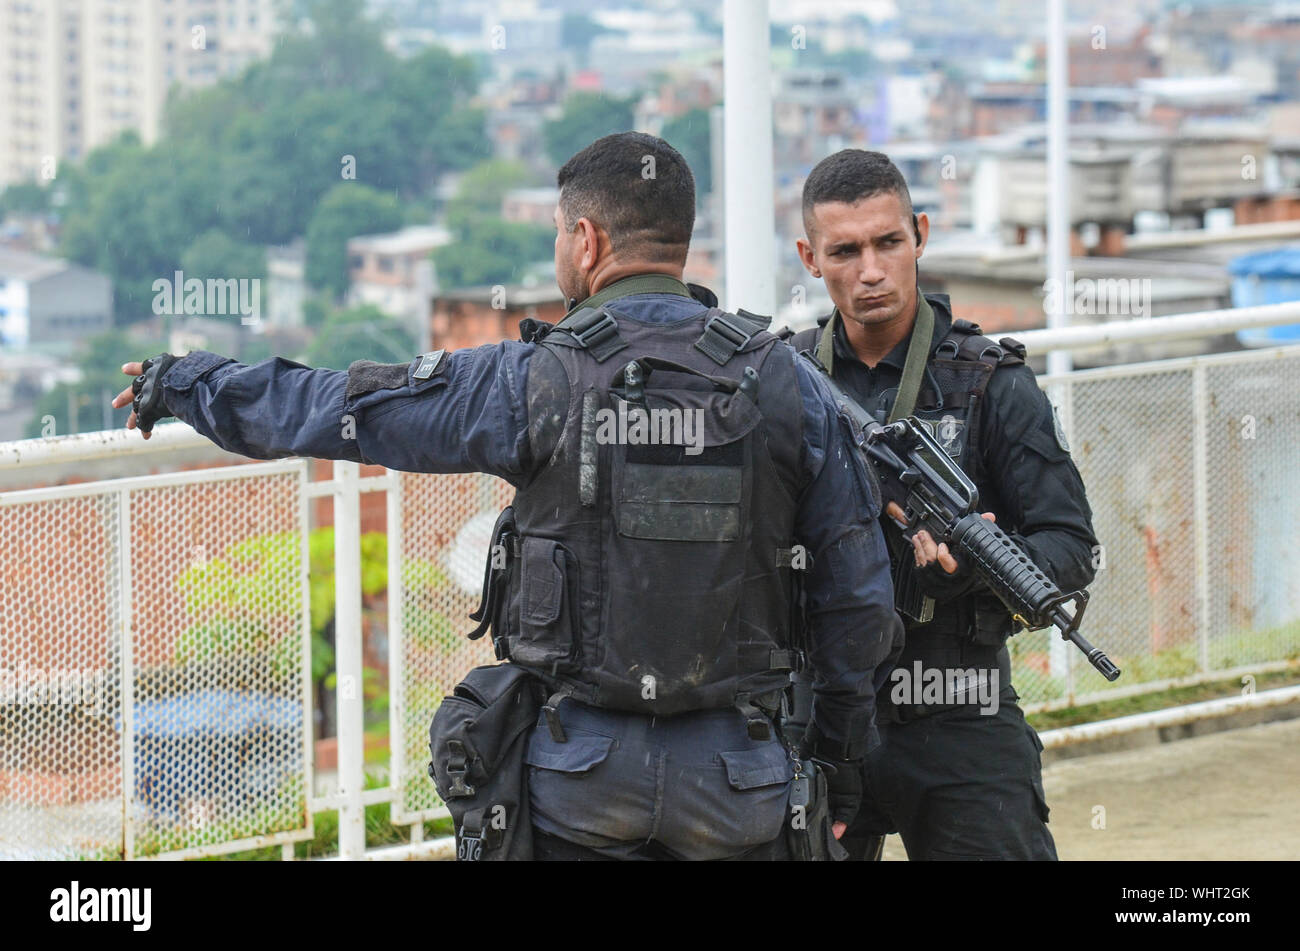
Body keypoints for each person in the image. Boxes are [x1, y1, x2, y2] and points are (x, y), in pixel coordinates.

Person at [113, 133, 904, 861]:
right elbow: (860, 602)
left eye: (561, 233)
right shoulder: (785, 380)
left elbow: (340, 407)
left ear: (587, 242)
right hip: (742, 781)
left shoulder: (533, 378)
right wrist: (833, 763)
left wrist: (184, 382)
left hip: (580, 775)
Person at [786, 149, 1099, 861]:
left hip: (960, 705)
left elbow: (1070, 546)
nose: (871, 270)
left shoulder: (991, 383)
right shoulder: (787, 382)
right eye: (845, 250)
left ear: (920, 234)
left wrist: (973, 569)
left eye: (888, 242)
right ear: (810, 257)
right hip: (821, 716)